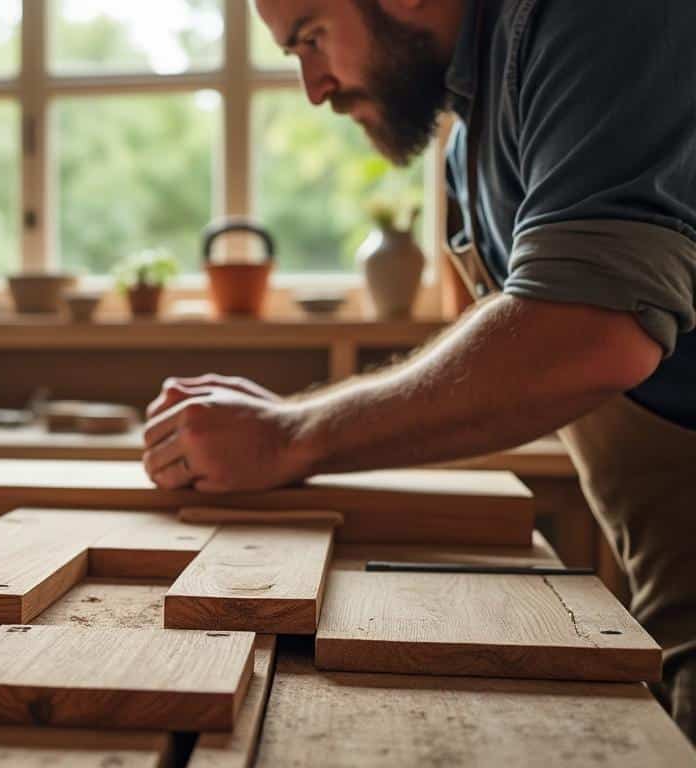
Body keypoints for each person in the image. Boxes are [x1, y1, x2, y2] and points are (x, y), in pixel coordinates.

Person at [142, 0, 696, 741]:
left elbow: (591, 333)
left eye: (311, 38)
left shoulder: (600, 18)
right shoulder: (471, 139)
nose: (313, 86)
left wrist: (290, 433)